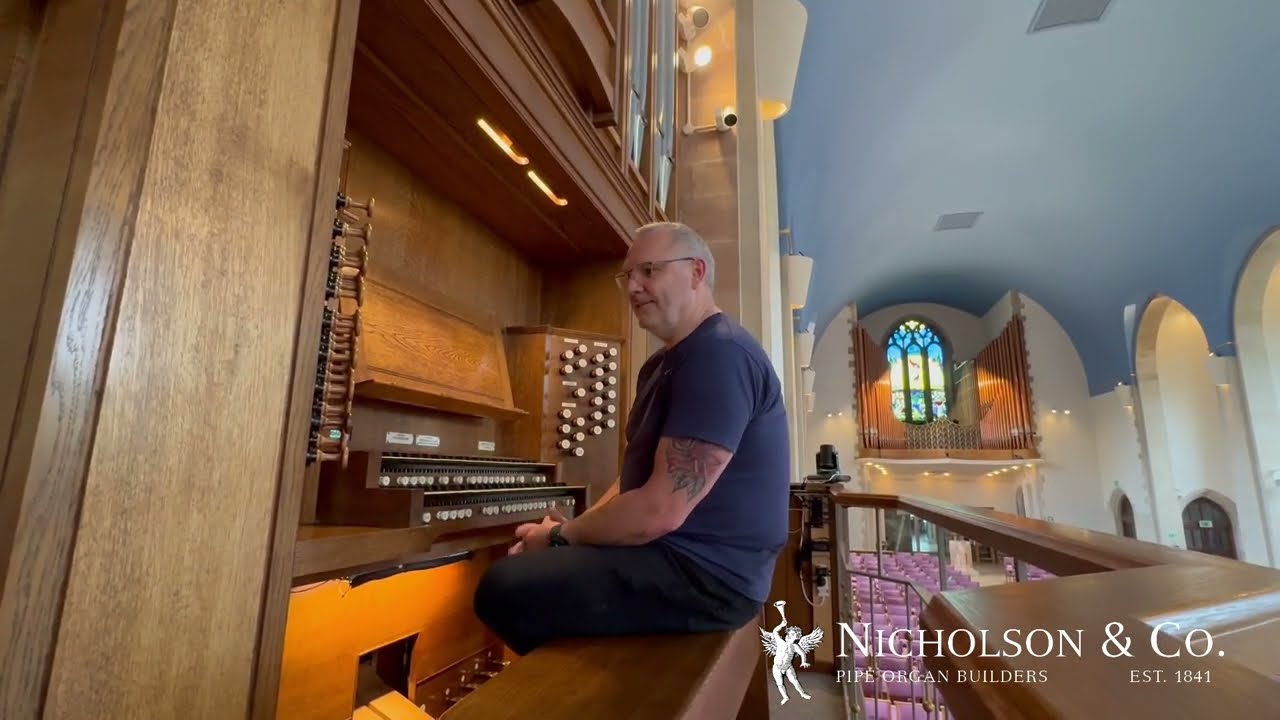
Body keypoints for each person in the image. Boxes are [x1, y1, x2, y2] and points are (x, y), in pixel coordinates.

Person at [472, 221, 791, 655]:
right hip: (679, 557)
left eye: (649, 271)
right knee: (533, 575)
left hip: (711, 577)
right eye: (628, 276)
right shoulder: (662, 364)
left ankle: (594, 694)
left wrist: (558, 539)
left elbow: (658, 511)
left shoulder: (721, 355)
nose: (633, 287)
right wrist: (569, 531)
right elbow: (633, 483)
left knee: (504, 587)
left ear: (697, 273)